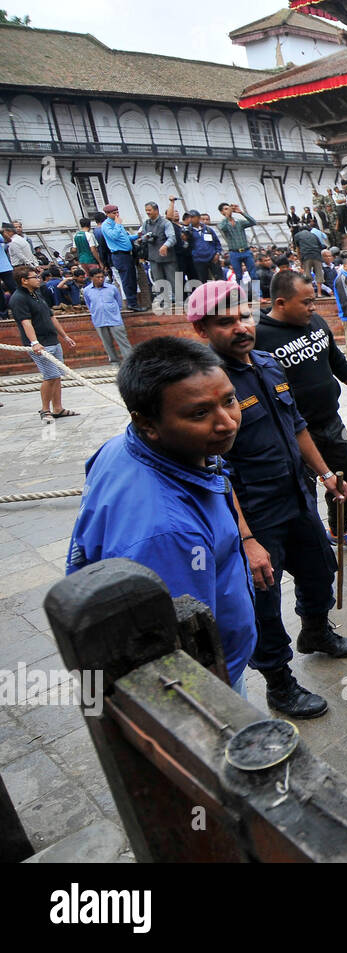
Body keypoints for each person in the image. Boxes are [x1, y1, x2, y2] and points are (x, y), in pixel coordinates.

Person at [188, 280, 347, 718]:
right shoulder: (204, 387)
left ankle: (316, 631)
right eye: (225, 322)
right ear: (202, 331)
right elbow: (210, 468)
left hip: (297, 495)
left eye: (244, 316)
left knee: (320, 567)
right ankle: (279, 683)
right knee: (263, 599)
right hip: (253, 510)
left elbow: (297, 425)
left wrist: (324, 475)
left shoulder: (267, 363)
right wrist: (245, 539)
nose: (241, 327)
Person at [67, 337, 257, 692]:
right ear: (148, 423)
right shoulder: (170, 534)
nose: (227, 423)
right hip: (208, 685)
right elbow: (179, 651)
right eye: (199, 413)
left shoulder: (125, 447)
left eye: (229, 401)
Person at [255, 270, 347, 550]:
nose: (313, 307)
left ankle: (339, 530)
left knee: (344, 475)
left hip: (331, 420)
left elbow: (338, 363)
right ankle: (311, 543)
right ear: (280, 303)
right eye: (305, 302)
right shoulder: (259, 337)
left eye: (313, 300)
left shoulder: (315, 322)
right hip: (293, 432)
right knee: (303, 490)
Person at [10, 265, 77, 423]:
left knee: (57, 376)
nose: (38, 279)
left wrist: (65, 336)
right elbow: (26, 323)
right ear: (24, 280)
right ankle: (45, 410)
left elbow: (51, 316)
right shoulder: (18, 298)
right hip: (39, 344)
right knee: (50, 376)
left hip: (52, 340)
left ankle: (58, 408)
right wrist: (34, 342)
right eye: (35, 277)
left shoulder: (37, 293)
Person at [82, 266, 131, 365]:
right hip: (99, 320)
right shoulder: (87, 290)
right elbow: (89, 304)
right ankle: (114, 362)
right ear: (91, 278)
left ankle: (130, 362)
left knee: (123, 341)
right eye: (97, 277)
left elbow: (119, 302)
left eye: (102, 277)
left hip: (115, 319)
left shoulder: (112, 288)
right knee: (107, 343)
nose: (101, 279)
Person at [99, 207, 139, 310]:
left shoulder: (116, 224)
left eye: (117, 212)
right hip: (119, 255)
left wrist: (137, 236)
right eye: (114, 213)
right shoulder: (106, 225)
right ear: (107, 214)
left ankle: (134, 302)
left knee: (132, 279)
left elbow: (125, 238)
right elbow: (114, 236)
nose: (117, 215)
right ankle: (132, 304)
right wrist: (118, 224)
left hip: (127, 254)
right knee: (127, 280)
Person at [216, 203, 258, 299]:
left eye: (229, 208)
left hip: (246, 251)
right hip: (234, 253)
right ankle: (242, 297)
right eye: (226, 209)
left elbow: (253, 222)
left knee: (253, 275)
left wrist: (241, 212)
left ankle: (257, 296)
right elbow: (222, 228)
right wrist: (227, 217)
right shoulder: (223, 223)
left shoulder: (239, 222)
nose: (228, 210)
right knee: (238, 276)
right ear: (222, 212)